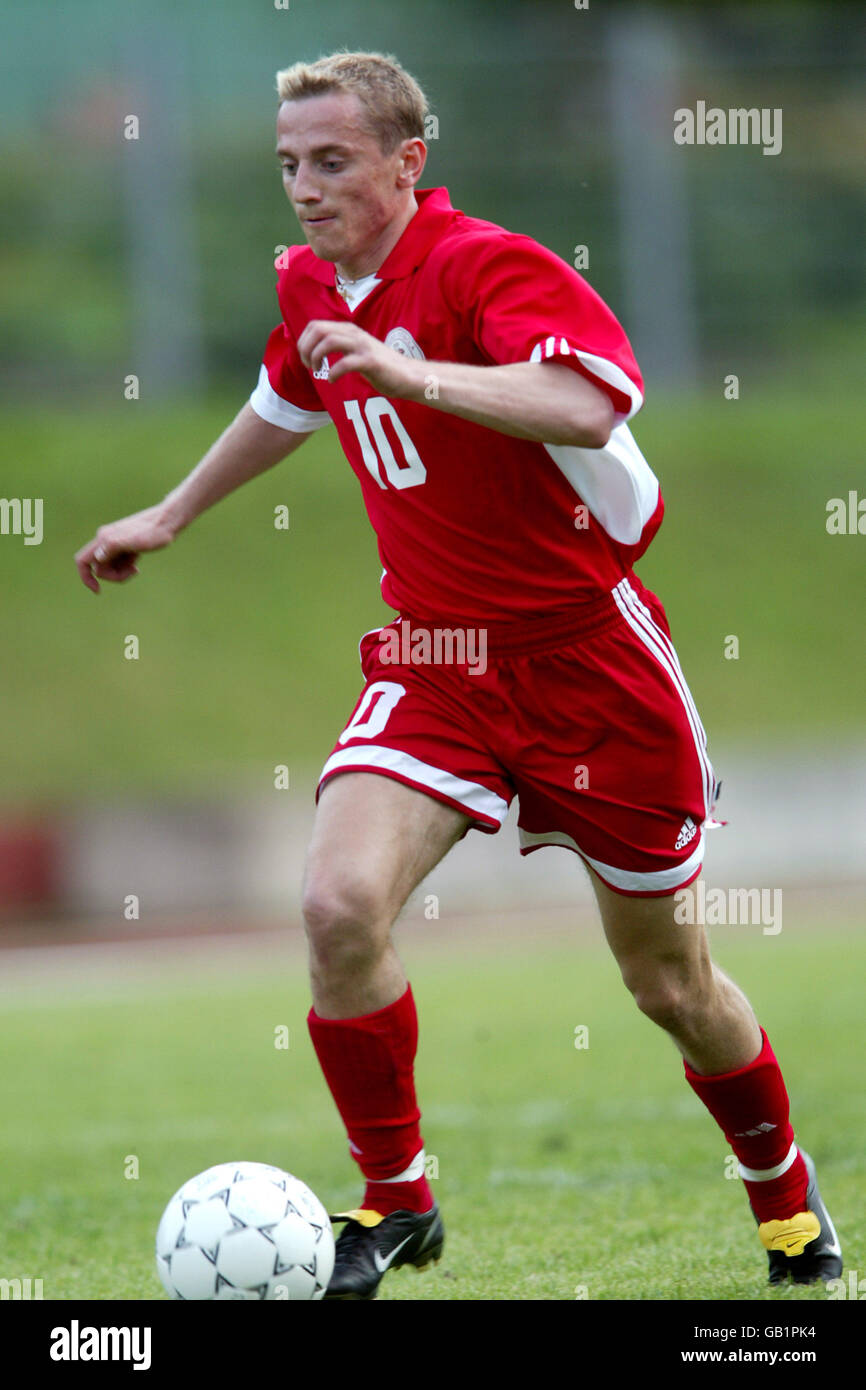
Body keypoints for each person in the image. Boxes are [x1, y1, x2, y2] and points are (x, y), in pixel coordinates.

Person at [75, 50, 841, 1301]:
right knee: (335, 907)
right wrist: (171, 512)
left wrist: (413, 372)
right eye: (287, 166)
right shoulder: (312, 281)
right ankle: (396, 1203)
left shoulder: (482, 265)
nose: (305, 190)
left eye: (331, 162)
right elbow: (291, 386)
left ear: (404, 162)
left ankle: (783, 1200)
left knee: (668, 981)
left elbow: (588, 403)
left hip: (590, 665)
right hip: (436, 658)